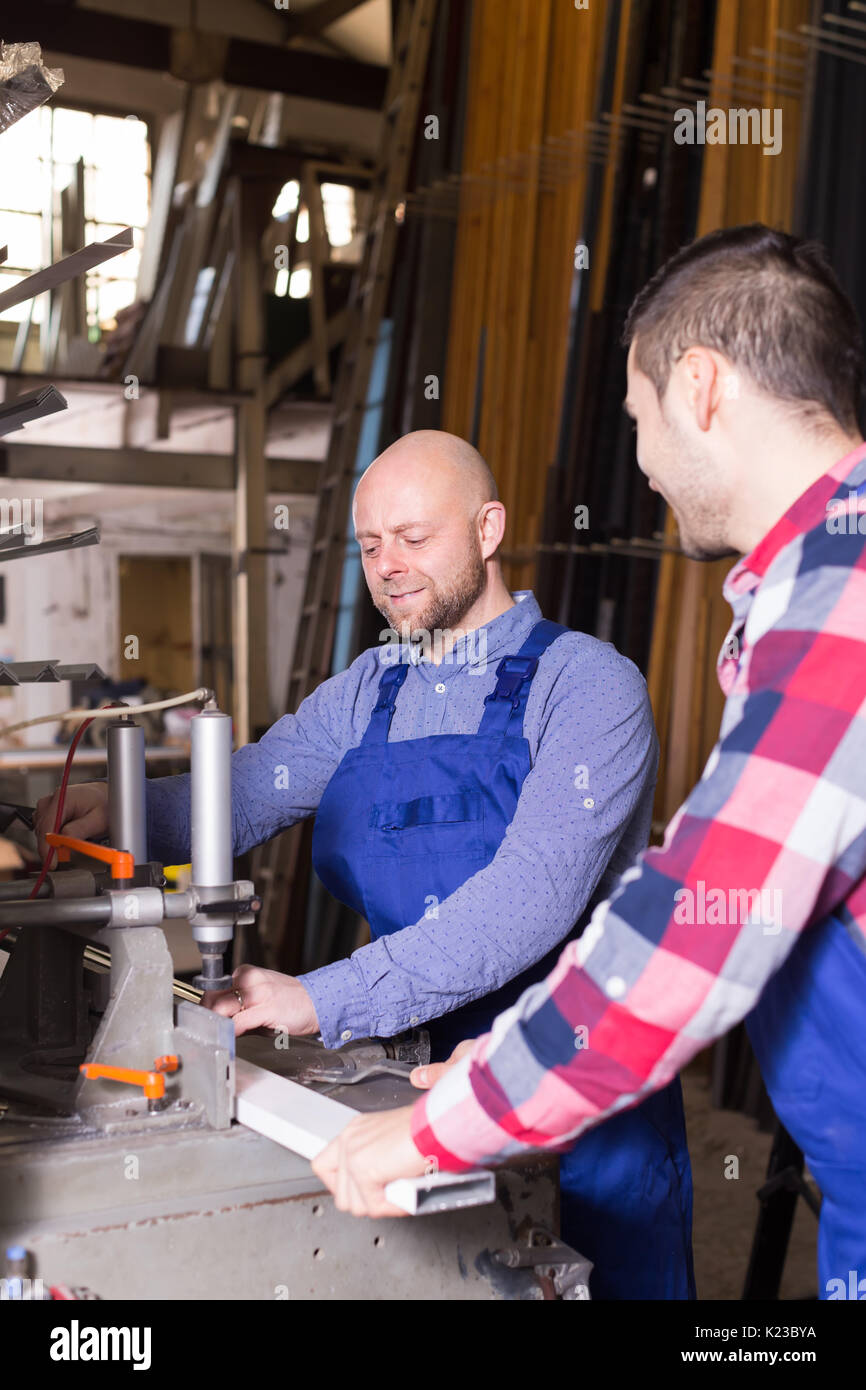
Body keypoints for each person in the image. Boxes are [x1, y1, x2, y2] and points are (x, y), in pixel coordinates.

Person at [310, 225, 866, 1303]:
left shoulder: (837, 600)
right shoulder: (804, 588)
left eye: (637, 421)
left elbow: (702, 922)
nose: (644, 463)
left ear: (698, 386)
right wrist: (495, 1057)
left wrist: (451, 1123)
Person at [36, 428, 694, 1300]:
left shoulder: (587, 686)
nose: (388, 566)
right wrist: (126, 813)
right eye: (370, 544)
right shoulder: (369, 690)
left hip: (578, 1090)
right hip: (407, 1073)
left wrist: (323, 996)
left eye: (415, 539)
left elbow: (527, 900)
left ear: (489, 528)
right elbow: (251, 787)